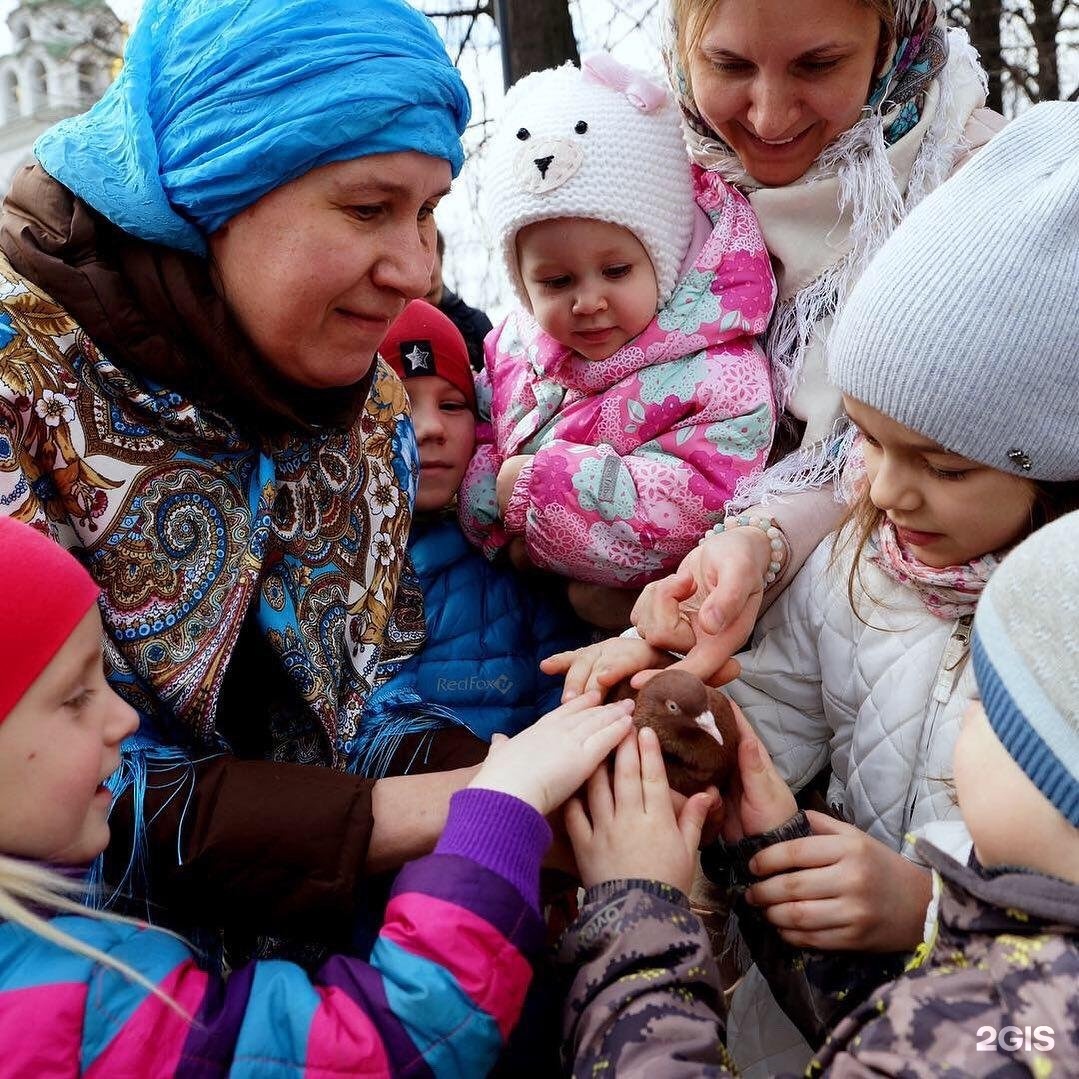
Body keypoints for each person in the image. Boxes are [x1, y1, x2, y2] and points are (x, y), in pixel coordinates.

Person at [547, 101, 1079, 1074]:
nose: (881, 487)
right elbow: (775, 709)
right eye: (868, 440)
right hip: (807, 1010)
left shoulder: (1063, 638)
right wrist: (685, 728)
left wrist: (921, 905)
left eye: (941, 465)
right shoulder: (856, 556)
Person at [0, 0, 495, 954]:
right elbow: (34, 801)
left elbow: (369, 695)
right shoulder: (19, 380)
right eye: (367, 208)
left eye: (428, 213)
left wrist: (553, 770)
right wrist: (449, 811)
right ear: (213, 187)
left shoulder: (373, 406)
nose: (418, 271)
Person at [0, 515, 638, 1076]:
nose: (124, 721)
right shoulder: (71, 1012)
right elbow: (393, 1046)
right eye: (75, 697)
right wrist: (500, 807)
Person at [558, 522, 1079, 1077]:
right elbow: (871, 1032)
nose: (969, 716)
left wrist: (638, 917)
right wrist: (768, 848)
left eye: (988, 708)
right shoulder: (1022, 1005)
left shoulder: (993, 1034)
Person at [626, 0, 1006, 675]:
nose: (769, 117)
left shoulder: (976, 189)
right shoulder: (640, 182)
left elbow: (914, 464)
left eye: (819, 64)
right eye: (728, 64)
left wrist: (760, 540)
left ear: (890, 43)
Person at [457, 52, 776, 592]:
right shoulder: (512, 349)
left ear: (669, 256)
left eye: (615, 270)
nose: (587, 301)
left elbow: (704, 502)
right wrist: (485, 495)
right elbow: (481, 422)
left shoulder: (720, 376)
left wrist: (541, 494)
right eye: (555, 283)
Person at [355, 299, 587, 765]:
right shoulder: (325, 556)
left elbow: (562, 684)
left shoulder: (513, 547)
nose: (430, 427)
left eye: (452, 404)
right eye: (394, 402)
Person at [426, 228, 494, 372]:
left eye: (426, 255)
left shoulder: (476, 323)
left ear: (440, 256)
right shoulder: (387, 326)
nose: (420, 268)